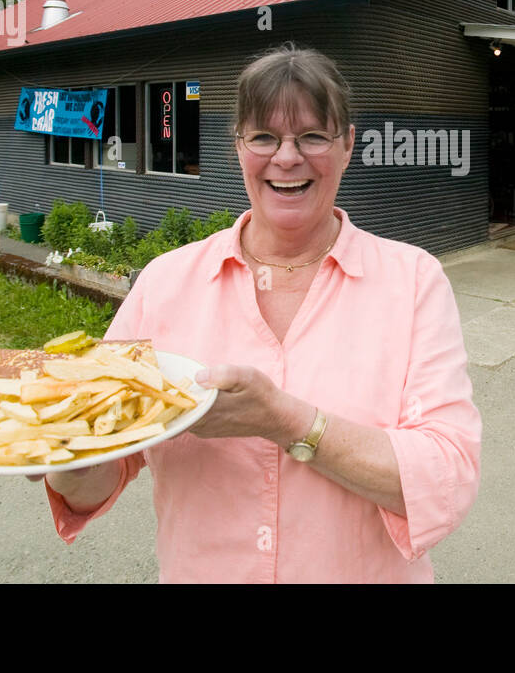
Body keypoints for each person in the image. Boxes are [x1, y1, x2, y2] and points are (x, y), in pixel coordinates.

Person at [40, 43, 482, 582]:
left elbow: (447, 475)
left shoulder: (413, 282)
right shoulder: (166, 282)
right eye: (265, 137)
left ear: (347, 146)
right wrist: (67, 455)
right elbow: (105, 458)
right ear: (238, 148)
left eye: (313, 136)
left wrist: (286, 420)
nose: (287, 157)